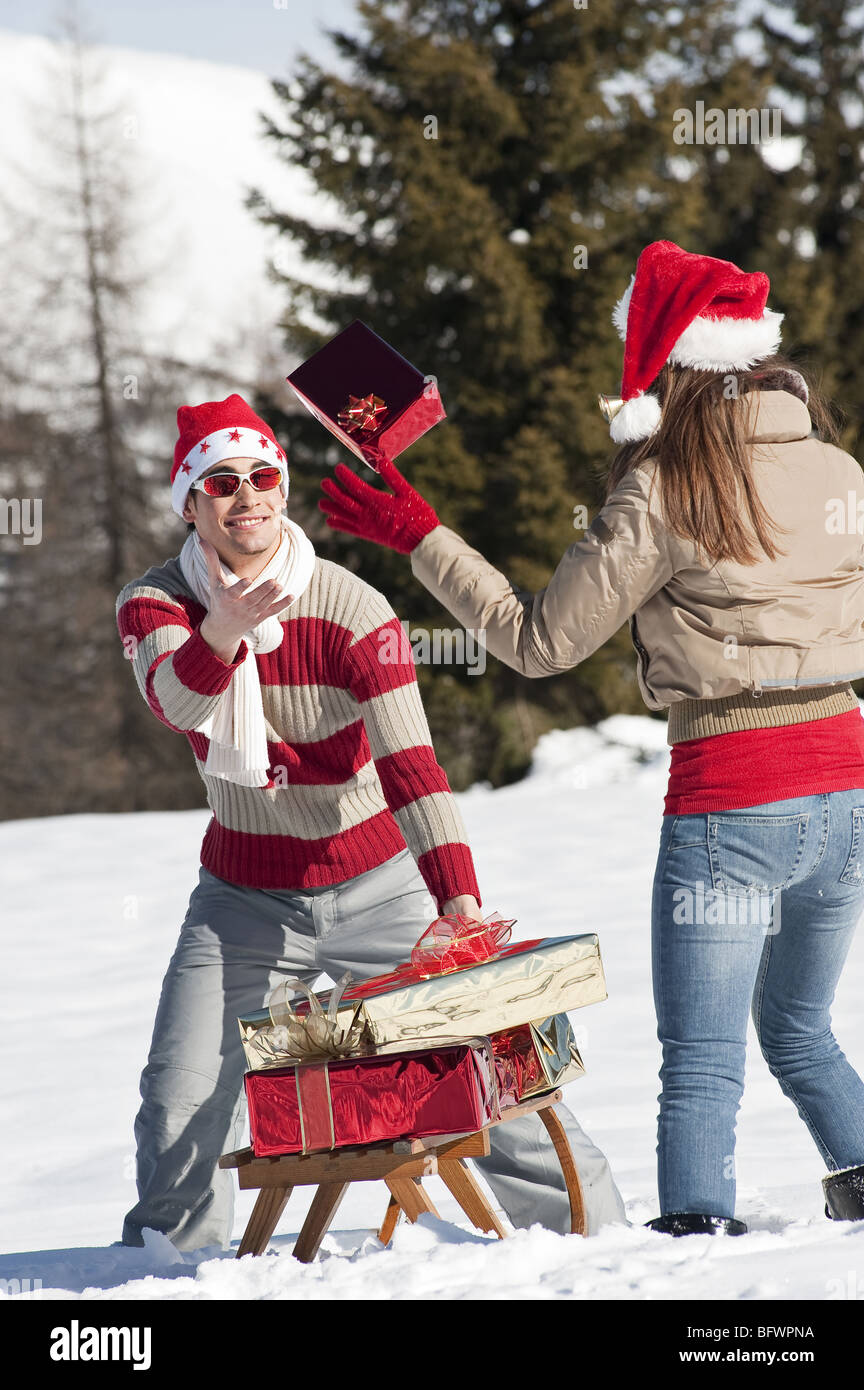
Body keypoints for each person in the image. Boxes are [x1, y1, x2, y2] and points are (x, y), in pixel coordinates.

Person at [320, 239, 864, 1236]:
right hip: (847, 790)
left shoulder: (669, 484)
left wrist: (421, 535)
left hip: (733, 796)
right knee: (797, 1026)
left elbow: (541, 641)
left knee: (703, 1059)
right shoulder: (839, 469)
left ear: (671, 367)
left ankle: (699, 1254)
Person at [115, 393, 626, 1253]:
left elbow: (412, 768)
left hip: (379, 885)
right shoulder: (155, 604)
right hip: (244, 899)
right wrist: (228, 631)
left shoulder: (354, 610)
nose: (248, 497)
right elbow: (175, 701)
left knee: (483, 1056)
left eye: (264, 477)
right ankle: (172, 1267)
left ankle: (598, 1239)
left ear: (282, 489)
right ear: (191, 503)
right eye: (223, 482)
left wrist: (457, 902)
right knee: (181, 1085)